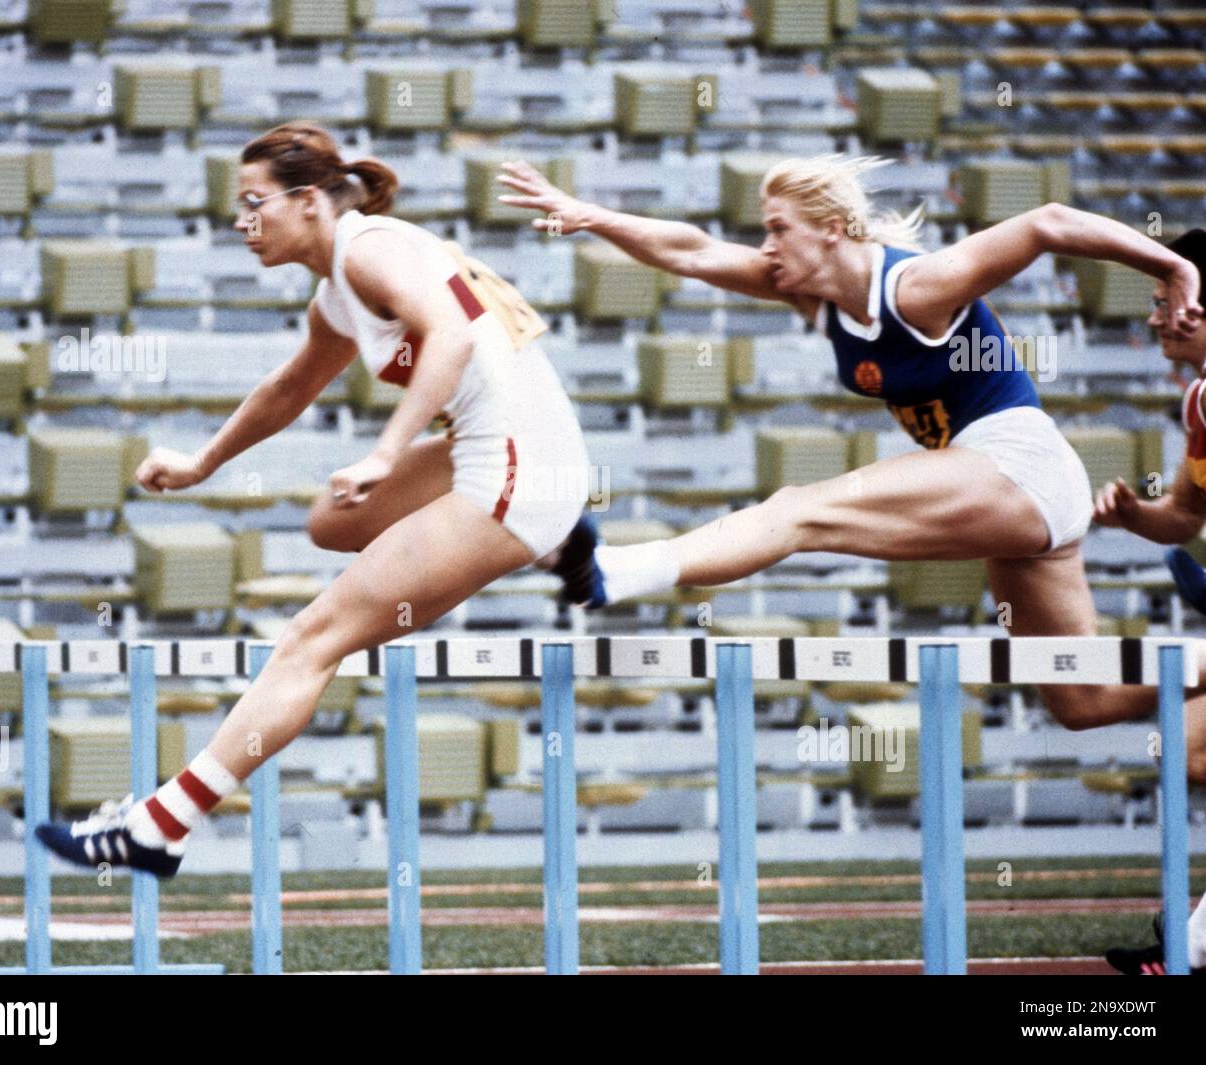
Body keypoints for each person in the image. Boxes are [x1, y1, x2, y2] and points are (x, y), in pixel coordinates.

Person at [496, 154, 1206, 771]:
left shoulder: (917, 288)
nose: (766, 246)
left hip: (1019, 463)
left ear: (831, 229)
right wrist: (588, 214)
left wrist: (1168, 262)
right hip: (997, 489)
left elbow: (1047, 220)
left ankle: (617, 570)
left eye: (778, 228)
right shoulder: (809, 290)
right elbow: (689, 249)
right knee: (1082, 700)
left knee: (800, 510)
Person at [35, 123, 598, 876]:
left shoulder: (370, 251)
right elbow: (291, 387)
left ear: (307, 201)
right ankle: (566, 537)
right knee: (333, 521)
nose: (242, 221)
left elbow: (455, 336)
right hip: (504, 448)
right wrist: (202, 462)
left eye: (253, 203)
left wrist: (387, 450)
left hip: (520, 464)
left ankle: (163, 824)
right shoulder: (338, 288)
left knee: (312, 638)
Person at [1092, 227, 1206, 976]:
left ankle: (1187, 944)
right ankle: (1191, 940)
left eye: (1165, 302)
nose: (1155, 318)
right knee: (1188, 748)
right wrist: (1137, 515)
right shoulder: (1200, 401)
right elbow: (1189, 515)